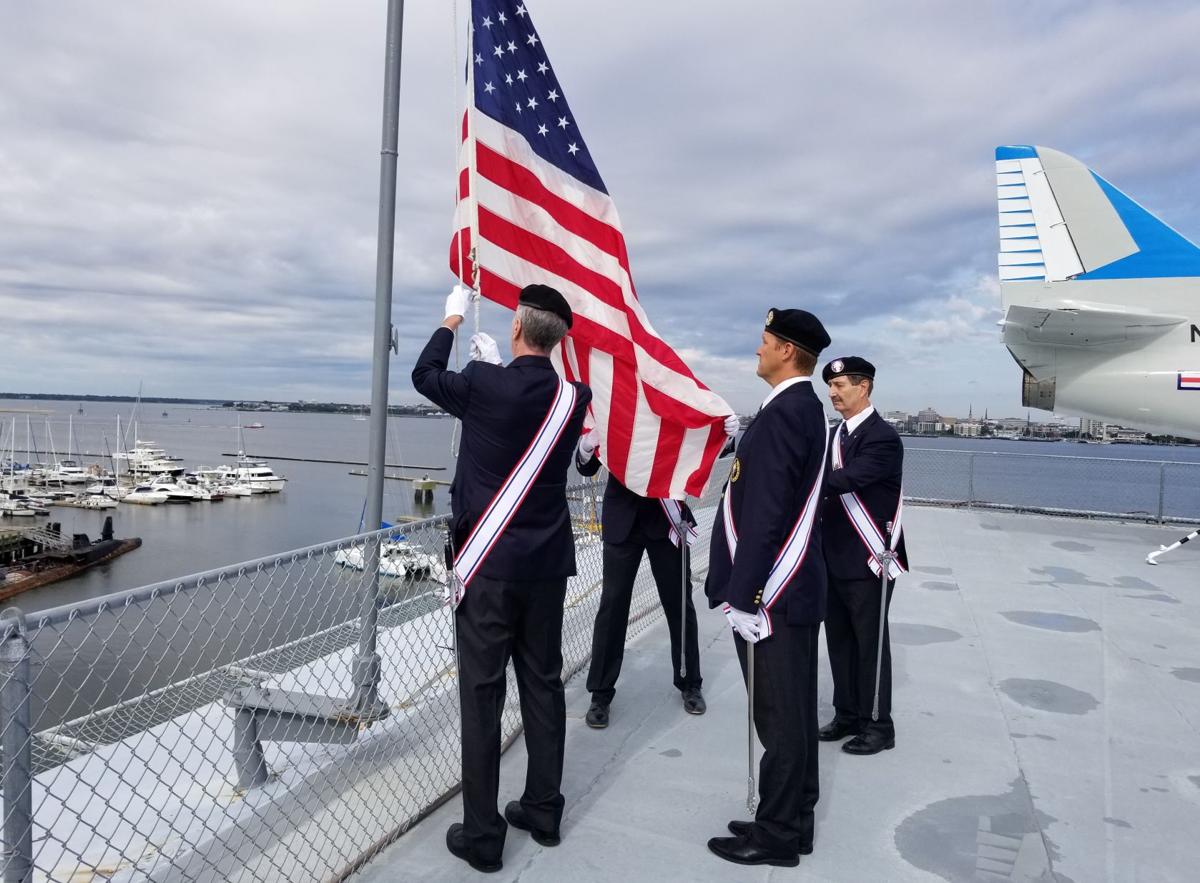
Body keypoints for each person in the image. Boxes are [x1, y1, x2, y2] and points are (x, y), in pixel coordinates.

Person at [412, 283, 591, 874]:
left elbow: (425, 373)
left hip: (487, 567)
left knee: (482, 694)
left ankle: (484, 834)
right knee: (543, 684)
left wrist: (453, 318)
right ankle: (543, 810)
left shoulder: (484, 385)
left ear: (516, 327)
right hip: (545, 566)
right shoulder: (574, 395)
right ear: (558, 338)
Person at [703, 307, 831, 867]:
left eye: (763, 342)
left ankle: (776, 834)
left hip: (772, 596)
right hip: (793, 591)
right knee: (795, 710)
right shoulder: (799, 408)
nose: (756, 350)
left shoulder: (785, 415)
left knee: (778, 717)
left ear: (786, 351)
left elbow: (766, 514)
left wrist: (745, 594)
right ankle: (793, 814)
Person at [574, 411, 735, 727]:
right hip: (623, 521)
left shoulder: (672, 402)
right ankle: (600, 694)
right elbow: (586, 465)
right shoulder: (615, 404)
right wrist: (586, 445)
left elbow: (700, 449)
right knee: (612, 609)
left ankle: (690, 682)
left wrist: (725, 437)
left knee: (680, 607)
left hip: (666, 520)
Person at [818, 356, 908, 755]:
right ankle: (847, 714)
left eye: (840, 386)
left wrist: (794, 480)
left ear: (864, 387)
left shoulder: (882, 437)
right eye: (831, 387)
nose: (833, 393)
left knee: (869, 644)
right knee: (839, 640)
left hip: (869, 558)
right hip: (833, 556)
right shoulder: (834, 435)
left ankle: (878, 725)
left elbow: (846, 480)